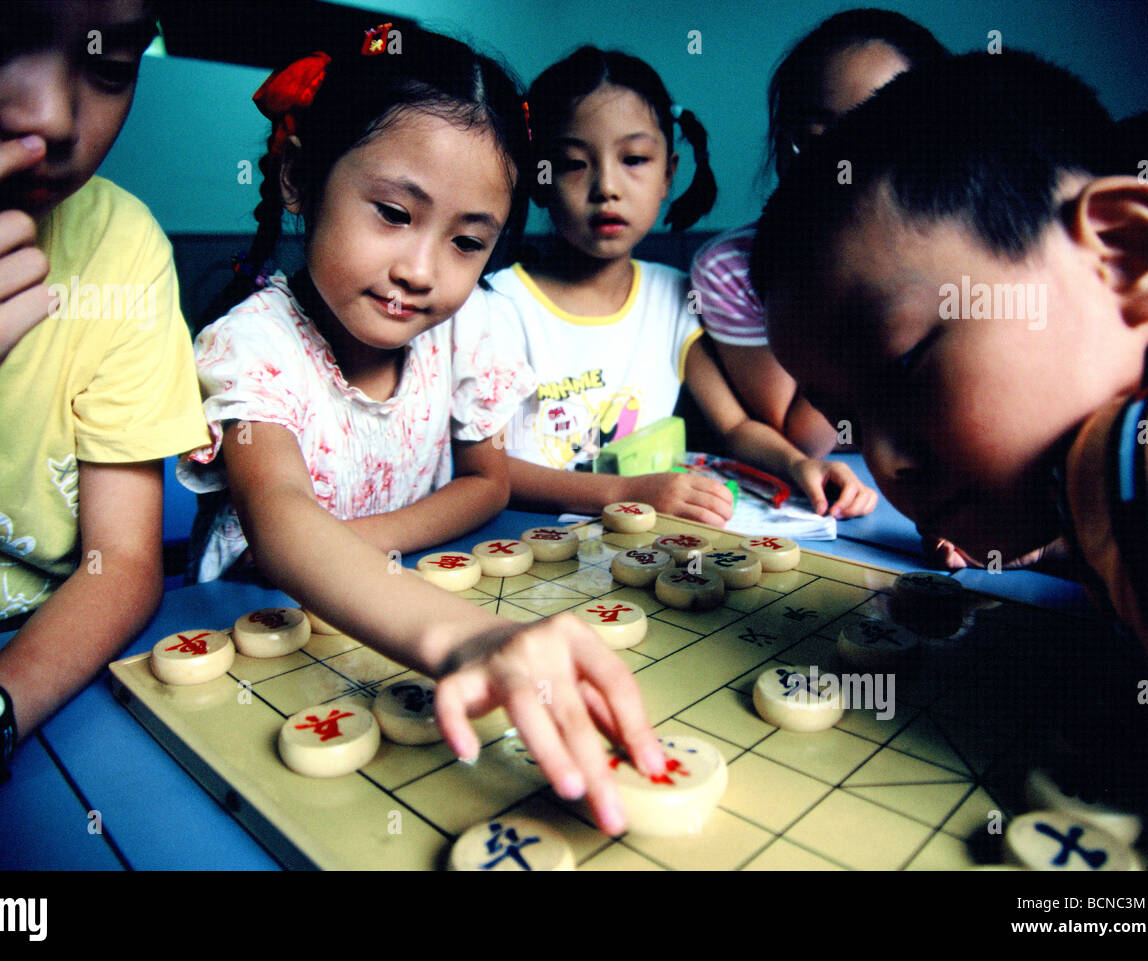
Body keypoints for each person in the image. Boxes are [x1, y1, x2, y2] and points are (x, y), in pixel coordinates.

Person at [177, 31, 664, 835]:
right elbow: (283, 526)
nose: (422, 270)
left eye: (468, 241)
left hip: (389, 617)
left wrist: (369, 538)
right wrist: (470, 638)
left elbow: (489, 481)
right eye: (395, 215)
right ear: (301, 177)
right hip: (253, 627)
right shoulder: (248, 347)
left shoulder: (464, 330)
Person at [752, 51, 1148, 702]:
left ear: (1124, 255)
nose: (885, 460)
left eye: (904, 366)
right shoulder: (1100, 487)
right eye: (850, 417)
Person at [0, 1, 210, 863]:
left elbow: (126, 560)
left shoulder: (118, 246)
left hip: (42, 662)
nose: (52, 116)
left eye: (110, 66)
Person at [489, 46, 876, 524]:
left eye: (633, 158)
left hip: (645, 542)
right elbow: (489, 469)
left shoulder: (672, 294)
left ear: (668, 173)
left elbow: (734, 427)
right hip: (526, 541)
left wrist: (801, 464)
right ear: (539, 178)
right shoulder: (501, 306)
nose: (606, 186)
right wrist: (625, 492)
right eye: (572, 163)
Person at [694, 11, 948, 505]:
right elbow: (803, 436)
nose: (844, 166)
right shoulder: (732, 268)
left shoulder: (971, 261)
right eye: (816, 140)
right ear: (784, 147)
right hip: (825, 493)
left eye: (879, 137)